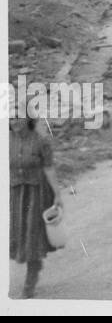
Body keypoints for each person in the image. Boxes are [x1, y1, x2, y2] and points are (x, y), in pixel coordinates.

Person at [9, 116, 63, 298]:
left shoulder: (41, 141)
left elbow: (49, 168)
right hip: (14, 194)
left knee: (32, 237)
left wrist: (57, 194)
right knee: (14, 235)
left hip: (36, 193)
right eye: (10, 118)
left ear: (28, 119)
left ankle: (30, 281)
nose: (13, 121)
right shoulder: (6, 139)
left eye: (18, 118)